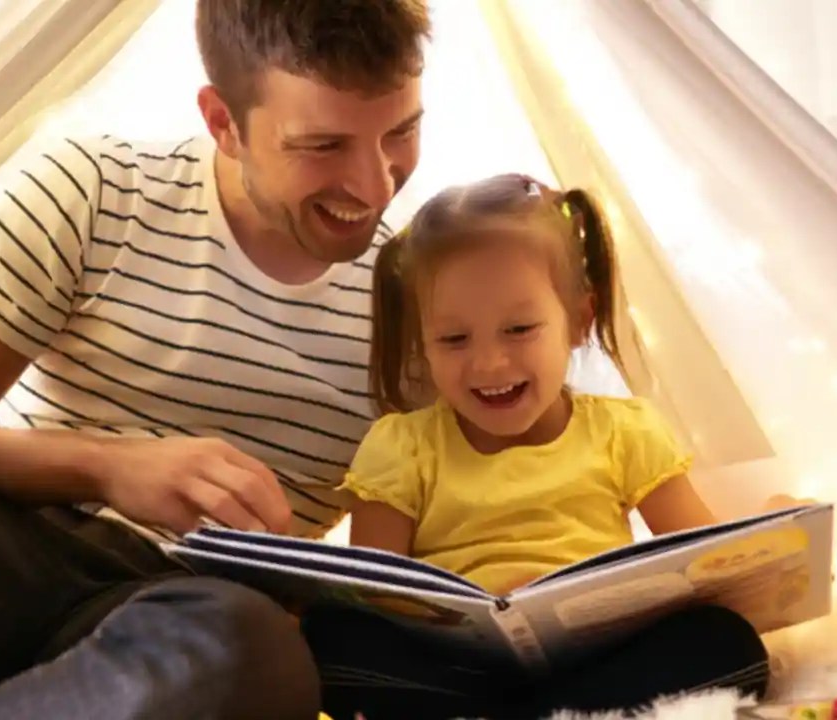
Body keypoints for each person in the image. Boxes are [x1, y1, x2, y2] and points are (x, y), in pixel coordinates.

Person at [0, 1, 431, 718]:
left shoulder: (421, 309)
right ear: (223, 124)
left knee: (250, 651)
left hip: (183, 610)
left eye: (402, 130)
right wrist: (112, 467)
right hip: (3, 538)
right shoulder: (100, 189)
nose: (375, 184)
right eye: (323, 146)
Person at [302, 174, 781, 720]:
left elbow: (702, 563)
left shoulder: (625, 430)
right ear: (422, 343)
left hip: (599, 659)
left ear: (578, 321)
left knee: (728, 644)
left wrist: (773, 539)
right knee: (330, 638)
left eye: (520, 329)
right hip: (456, 665)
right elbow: (378, 592)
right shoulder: (401, 446)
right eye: (454, 340)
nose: (489, 364)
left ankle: (527, 712)